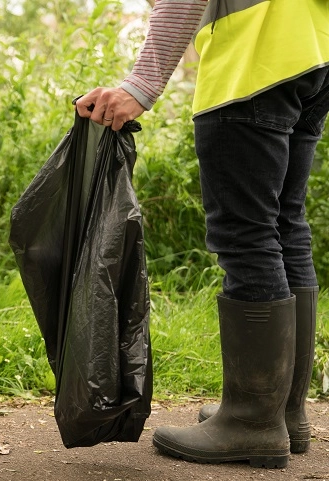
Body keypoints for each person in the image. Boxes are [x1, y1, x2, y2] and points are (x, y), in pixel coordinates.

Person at [75, 0, 329, 469]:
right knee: (284, 223)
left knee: (248, 232)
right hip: (314, 50)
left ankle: (253, 421)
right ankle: (283, 413)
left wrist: (140, 85)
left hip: (254, 57)